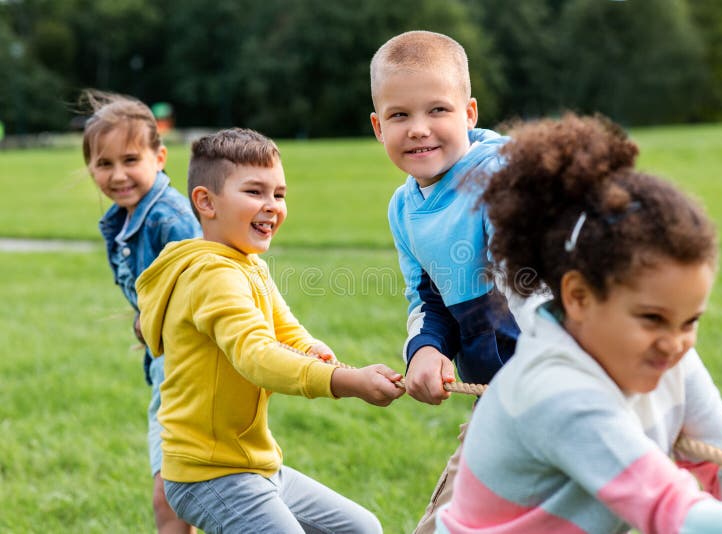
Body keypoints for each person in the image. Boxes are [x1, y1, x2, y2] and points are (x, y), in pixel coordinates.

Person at [436, 113, 722, 533]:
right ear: (578, 297)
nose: (675, 343)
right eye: (652, 318)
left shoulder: (667, 360)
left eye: (690, 321)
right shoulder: (556, 390)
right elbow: (677, 516)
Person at [135, 128, 405, 533]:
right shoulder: (210, 275)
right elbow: (257, 355)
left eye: (279, 194)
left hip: (255, 465)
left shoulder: (248, 265)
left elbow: (285, 330)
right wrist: (345, 381)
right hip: (207, 474)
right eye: (254, 192)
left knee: (360, 528)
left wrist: (311, 349)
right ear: (206, 202)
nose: (272, 206)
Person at [369, 30, 530, 533]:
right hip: (496, 400)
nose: (419, 129)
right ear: (378, 126)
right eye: (399, 115)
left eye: (437, 110)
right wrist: (425, 348)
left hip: (551, 389)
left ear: (469, 113)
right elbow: (427, 297)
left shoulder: (502, 181)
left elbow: (534, 295)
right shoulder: (404, 208)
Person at [82, 89, 201, 534]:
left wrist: (151, 321)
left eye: (130, 160)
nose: (117, 175)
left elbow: (207, 289)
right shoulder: (127, 215)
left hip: (189, 372)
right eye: (104, 163)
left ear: (160, 156)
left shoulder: (168, 219)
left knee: (174, 494)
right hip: (167, 370)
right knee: (181, 495)